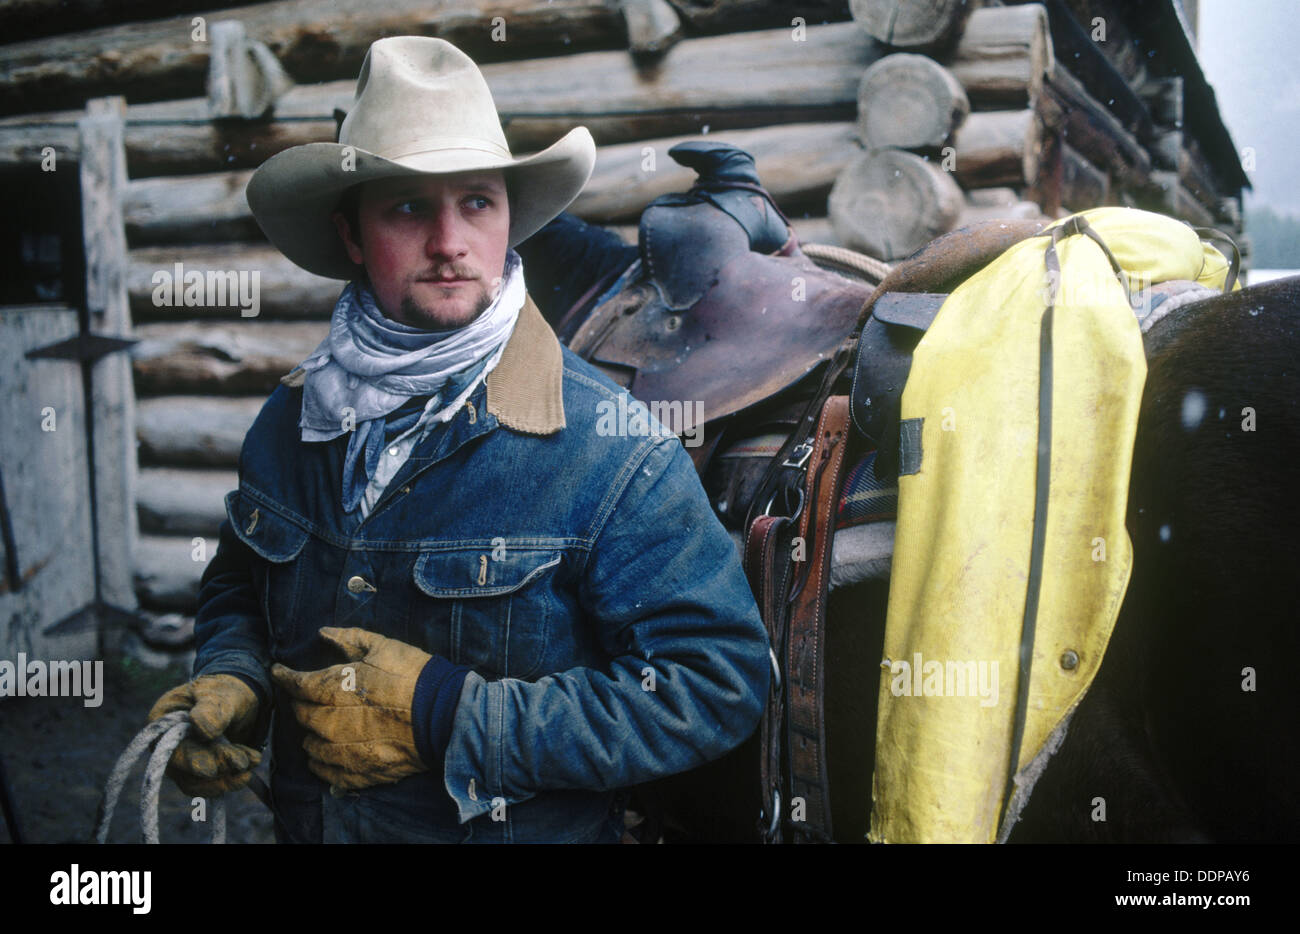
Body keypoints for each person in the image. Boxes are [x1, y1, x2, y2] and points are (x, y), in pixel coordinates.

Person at [144, 36, 769, 844]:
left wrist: (450, 713)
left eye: (476, 202)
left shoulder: (611, 452)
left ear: (509, 218)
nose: (449, 242)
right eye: (408, 205)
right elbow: (240, 585)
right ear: (351, 234)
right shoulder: (290, 424)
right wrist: (234, 677)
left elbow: (714, 684)